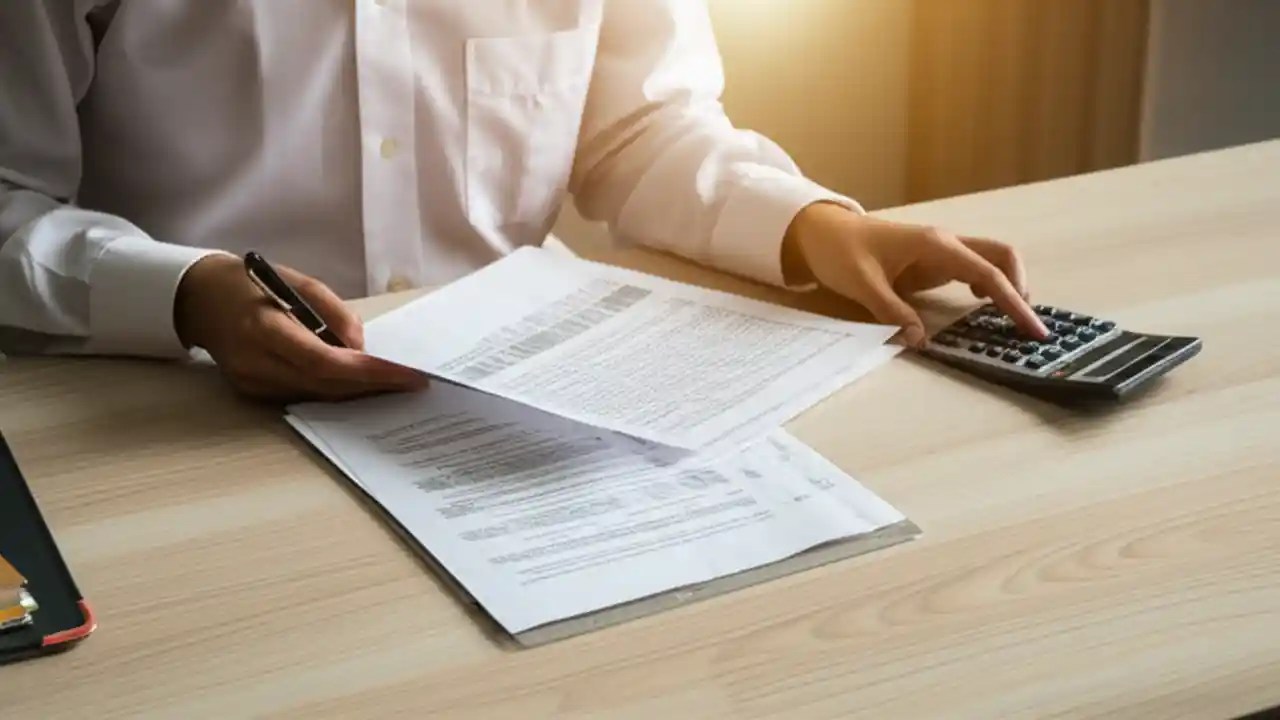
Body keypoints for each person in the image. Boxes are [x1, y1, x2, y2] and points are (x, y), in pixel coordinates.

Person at [0, 1, 1047, 402]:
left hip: (507, 403)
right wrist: (185, 294)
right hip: (178, 409)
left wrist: (814, 227)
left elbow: (640, 128)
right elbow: (9, 201)